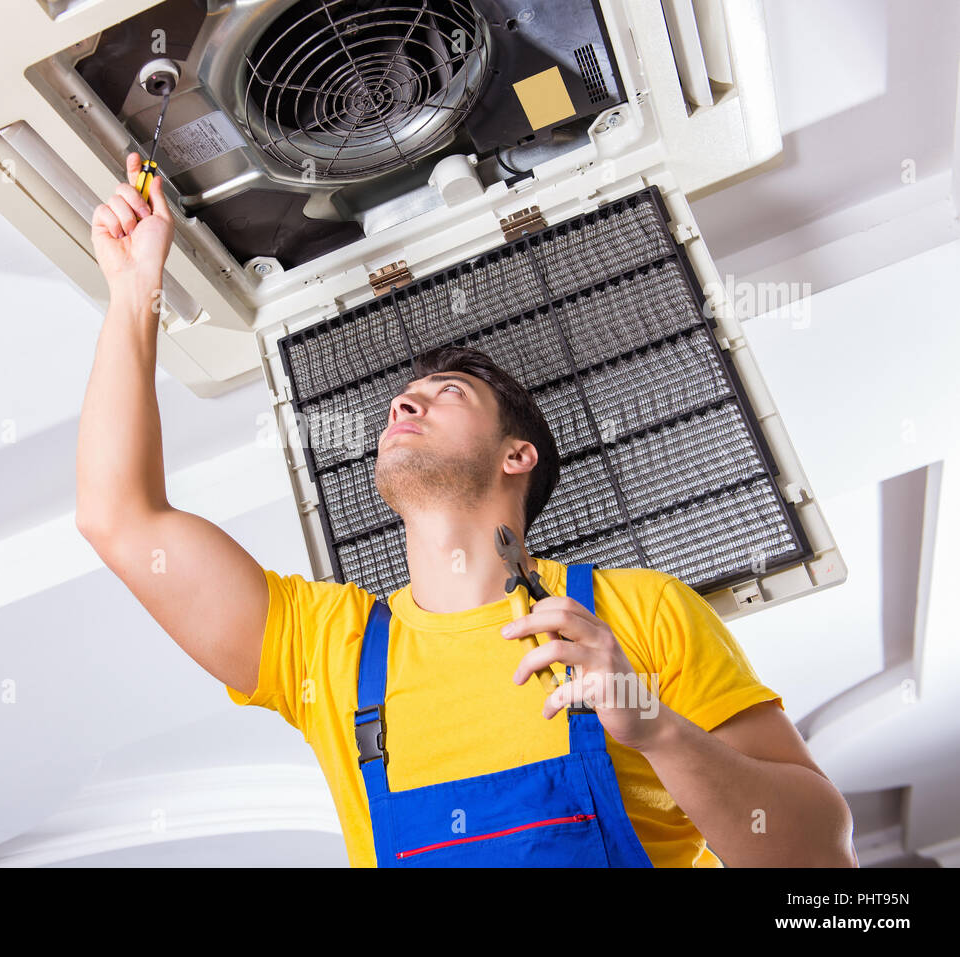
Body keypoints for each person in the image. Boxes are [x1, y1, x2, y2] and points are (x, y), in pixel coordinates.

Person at [76, 151, 858, 867]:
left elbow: (817, 857)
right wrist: (133, 286)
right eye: (401, 400)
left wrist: (653, 727)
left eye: (445, 393)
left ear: (519, 456)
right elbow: (118, 518)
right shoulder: (328, 652)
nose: (404, 403)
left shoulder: (640, 614)